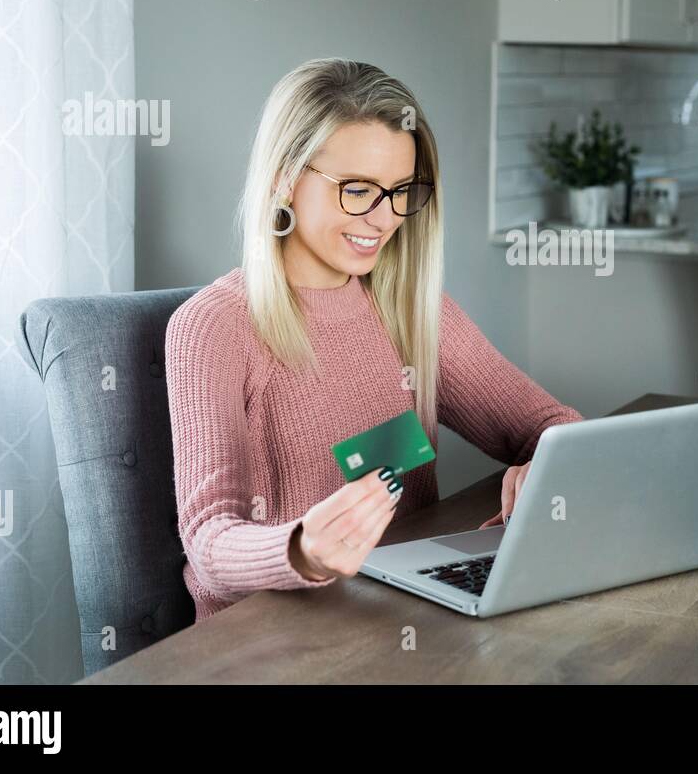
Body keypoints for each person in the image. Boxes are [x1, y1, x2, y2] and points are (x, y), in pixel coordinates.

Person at [165, 58, 583, 621]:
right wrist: (302, 549)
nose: (383, 219)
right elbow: (209, 542)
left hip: (400, 615)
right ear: (285, 178)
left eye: (400, 192)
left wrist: (547, 463)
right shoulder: (214, 328)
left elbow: (551, 425)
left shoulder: (413, 314)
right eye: (358, 189)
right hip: (267, 638)